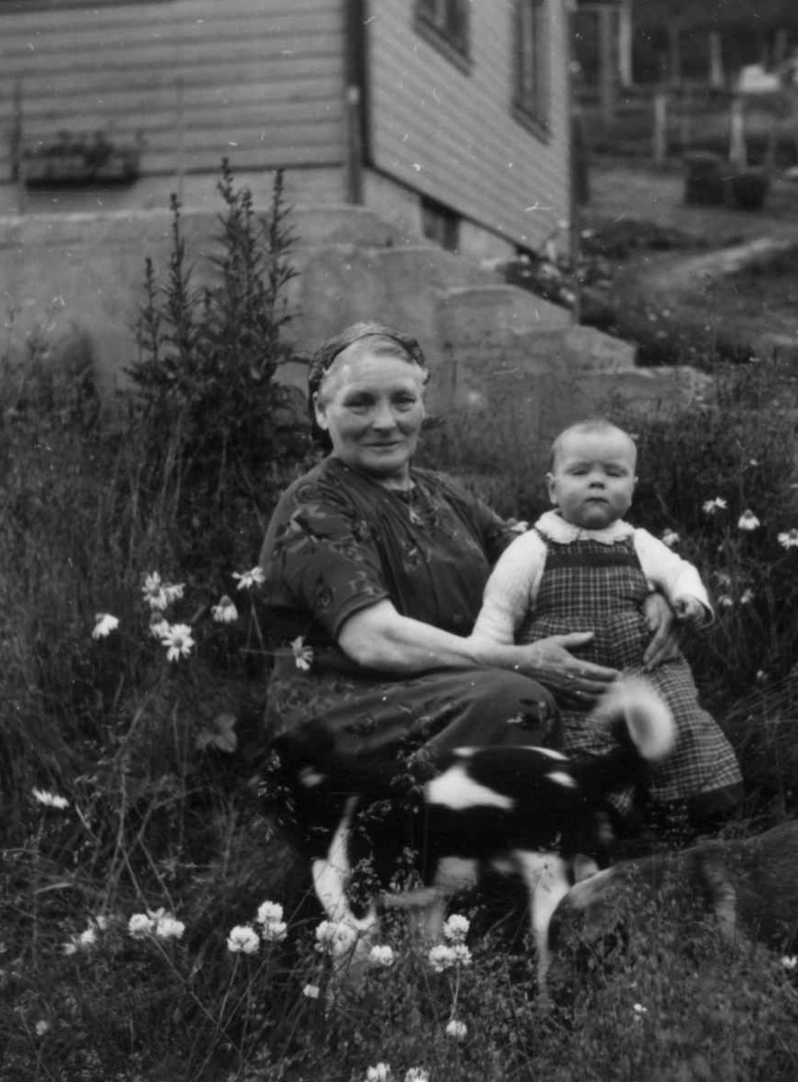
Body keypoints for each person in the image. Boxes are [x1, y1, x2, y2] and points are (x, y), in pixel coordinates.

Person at [256, 323, 680, 777]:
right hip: (344, 719)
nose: (385, 422)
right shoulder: (315, 503)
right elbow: (374, 640)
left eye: (403, 400)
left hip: (460, 692)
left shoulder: (444, 494)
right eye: (360, 402)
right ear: (322, 412)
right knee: (521, 702)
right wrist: (521, 661)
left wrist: (650, 595)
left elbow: (547, 567)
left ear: (423, 404)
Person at [471, 418, 743, 838]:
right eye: (580, 472)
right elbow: (499, 611)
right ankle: (606, 820)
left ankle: (699, 811)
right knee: (582, 743)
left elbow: (680, 572)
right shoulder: (531, 549)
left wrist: (687, 601)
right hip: (574, 680)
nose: (597, 482)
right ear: (552, 488)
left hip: (647, 669)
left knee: (680, 721)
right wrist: (494, 661)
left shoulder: (639, 543)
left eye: (613, 473)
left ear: (632, 488)